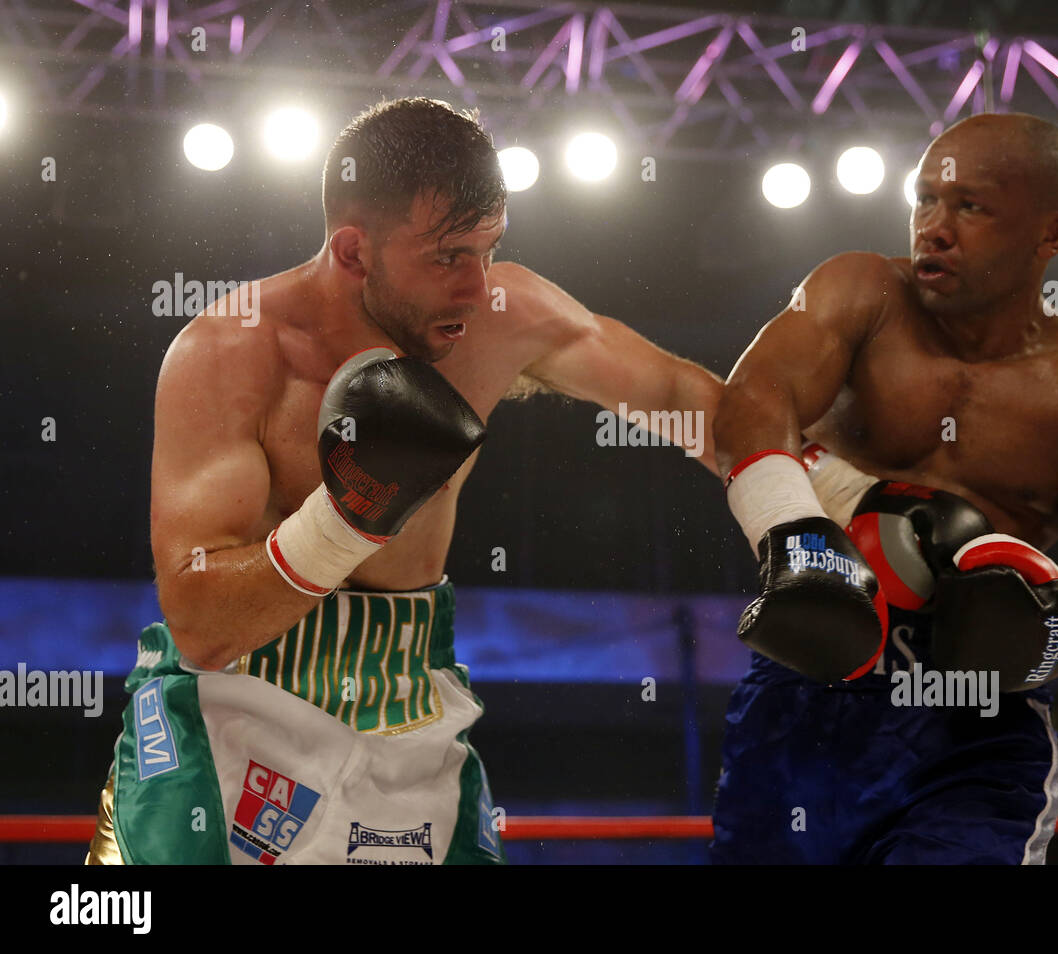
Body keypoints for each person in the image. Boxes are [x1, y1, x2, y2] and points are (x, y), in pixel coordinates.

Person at [86, 97, 721, 865]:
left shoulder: (501, 313)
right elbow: (200, 623)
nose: (475, 284)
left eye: (489, 248)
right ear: (353, 250)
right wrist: (349, 516)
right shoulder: (229, 352)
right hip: (232, 716)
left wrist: (800, 502)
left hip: (411, 711)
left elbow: (686, 402)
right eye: (448, 256)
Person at [710, 112, 1058, 864]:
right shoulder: (861, 292)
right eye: (925, 200)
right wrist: (798, 535)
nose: (935, 227)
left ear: (1051, 236)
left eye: (971, 207)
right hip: (806, 694)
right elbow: (755, 398)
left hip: (974, 730)